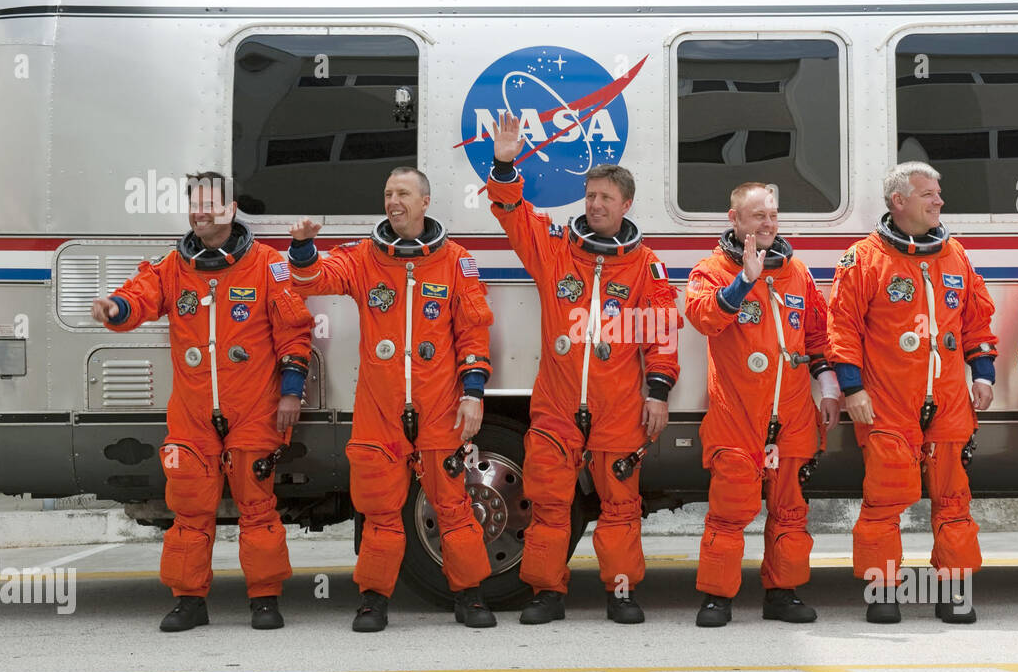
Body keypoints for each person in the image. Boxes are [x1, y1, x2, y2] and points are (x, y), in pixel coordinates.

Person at [91, 172, 312, 631]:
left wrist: (291, 392)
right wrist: (116, 308)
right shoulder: (173, 266)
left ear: (231, 210)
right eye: (195, 204)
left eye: (211, 204)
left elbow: (294, 332)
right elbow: (140, 296)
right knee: (189, 509)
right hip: (193, 413)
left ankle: (265, 598)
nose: (201, 211)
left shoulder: (267, 265)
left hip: (254, 407)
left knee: (258, 507)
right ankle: (189, 600)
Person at [486, 111, 680, 624]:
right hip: (556, 405)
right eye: (590, 196)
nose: (595, 205)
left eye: (605, 198)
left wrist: (657, 392)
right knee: (549, 504)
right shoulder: (554, 251)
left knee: (620, 507)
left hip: (619, 409)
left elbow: (661, 335)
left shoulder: (646, 267)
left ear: (626, 205)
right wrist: (505, 166)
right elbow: (513, 215)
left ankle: (620, 592)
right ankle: (546, 594)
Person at [287, 167, 496, 630]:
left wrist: (473, 394)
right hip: (379, 409)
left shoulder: (456, 261)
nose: (393, 201)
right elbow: (313, 280)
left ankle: (470, 595)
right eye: (387, 193)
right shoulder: (364, 257)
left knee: (454, 506)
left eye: (402, 193)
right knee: (379, 510)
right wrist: (302, 248)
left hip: (439, 405)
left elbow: (473, 333)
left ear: (425, 201)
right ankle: (374, 600)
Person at [827, 162, 998, 624]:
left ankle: (954, 589)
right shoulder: (863, 259)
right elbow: (841, 329)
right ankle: (883, 591)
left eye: (938, 193)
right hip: (885, 401)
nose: (939, 201)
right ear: (899, 202)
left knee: (953, 499)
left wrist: (982, 374)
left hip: (947, 401)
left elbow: (976, 320)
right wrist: (852, 389)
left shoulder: (955, 255)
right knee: (884, 498)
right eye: (928, 194)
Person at [684, 183, 841, 626]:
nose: (768, 223)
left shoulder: (798, 274)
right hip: (737, 416)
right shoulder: (712, 270)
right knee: (730, 511)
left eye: (772, 215)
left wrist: (828, 390)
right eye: (758, 216)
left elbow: (816, 338)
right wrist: (744, 281)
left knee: (790, 511)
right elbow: (702, 318)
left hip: (791, 415)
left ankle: (783, 593)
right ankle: (717, 598)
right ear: (734, 220)